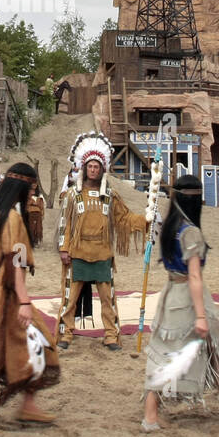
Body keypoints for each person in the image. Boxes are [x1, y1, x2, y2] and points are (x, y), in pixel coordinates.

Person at [141, 175, 219, 432]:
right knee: (188, 354)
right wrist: (200, 316)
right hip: (187, 298)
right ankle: (151, 415)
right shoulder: (190, 231)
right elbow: (195, 275)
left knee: (208, 354)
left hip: (170, 293)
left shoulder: (170, 226)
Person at [0, 162, 59, 434]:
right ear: (21, 187)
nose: (32, 194)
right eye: (30, 188)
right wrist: (25, 301)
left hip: (0, 291)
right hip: (3, 294)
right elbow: (14, 262)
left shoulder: (1, 213)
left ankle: (28, 405)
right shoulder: (12, 218)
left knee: (39, 345)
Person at [55, 132, 148, 351]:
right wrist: (64, 248)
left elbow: (124, 218)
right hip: (77, 253)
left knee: (108, 299)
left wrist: (146, 220)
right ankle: (66, 333)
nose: (93, 170)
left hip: (102, 254)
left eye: (97, 167)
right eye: (90, 167)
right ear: (85, 169)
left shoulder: (110, 195)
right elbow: (64, 224)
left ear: (102, 170)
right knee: (70, 298)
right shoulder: (72, 195)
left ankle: (111, 334)